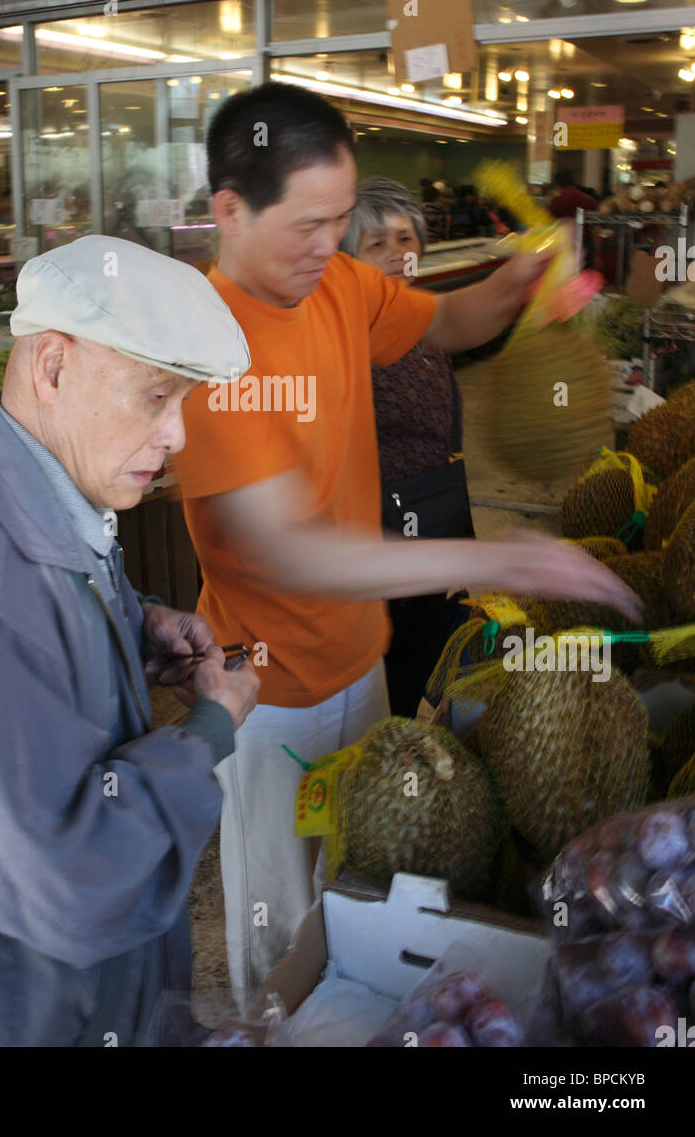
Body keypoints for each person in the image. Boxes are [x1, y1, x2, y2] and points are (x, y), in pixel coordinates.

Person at [172, 81, 642, 1011]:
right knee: (278, 944)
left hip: (362, 666)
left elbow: (445, 323)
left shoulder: (337, 282)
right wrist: (496, 557)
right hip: (262, 693)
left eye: (343, 219)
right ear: (229, 210)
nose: (330, 246)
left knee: (356, 914)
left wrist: (512, 282)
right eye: (310, 224)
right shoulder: (211, 347)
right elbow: (289, 551)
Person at [0, 235, 260, 1047]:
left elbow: (55, 624)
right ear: (52, 367)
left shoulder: (28, 494)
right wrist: (206, 733)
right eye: (157, 397)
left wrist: (132, 622)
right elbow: (73, 876)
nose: (178, 437)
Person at [341, 177, 474, 716]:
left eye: (406, 238)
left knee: (424, 644)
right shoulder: (351, 334)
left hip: (430, 515)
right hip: (376, 531)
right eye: (376, 244)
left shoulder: (423, 320)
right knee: (390, 663)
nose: (398, 255)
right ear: (346, 261)